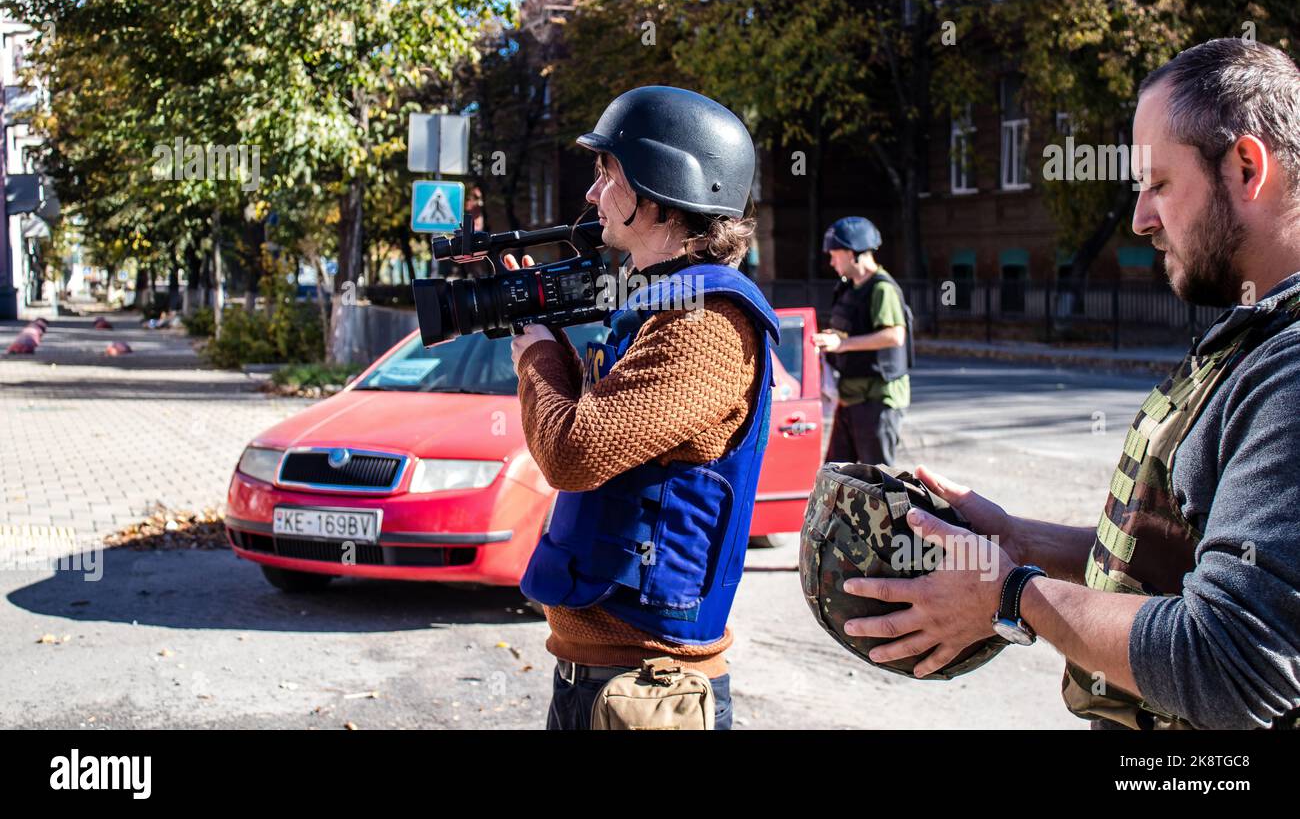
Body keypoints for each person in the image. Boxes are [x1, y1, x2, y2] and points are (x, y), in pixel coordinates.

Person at [837, 38, 1300, 730]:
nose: (1142, 217)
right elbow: (1186, 564)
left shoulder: (1289, 369)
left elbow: (1234, 665)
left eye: (1158, 184)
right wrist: (1025, 542)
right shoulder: (1253, 335)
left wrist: (1010, 595)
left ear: (1245, 167)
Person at [507, 85, 780, 730]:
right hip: (609, 681)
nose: (591, 192)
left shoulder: (707, 324)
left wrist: (535, 351)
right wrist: (543, 337)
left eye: (608, 171)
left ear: (661, 191)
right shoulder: (667, 306)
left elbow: (574, 452)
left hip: (649, 691)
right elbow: (606, 428)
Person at [813, 217, 911, 465]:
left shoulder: (882, 289)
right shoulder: (848, 288)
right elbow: (853, 330)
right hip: (849, 398)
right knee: (837, 476)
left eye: (834, 254)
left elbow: (894, 335)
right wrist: (833, 338)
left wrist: (842, 344)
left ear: (851, 252)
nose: (832, 261)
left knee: (878, 481)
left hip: (877, 398)